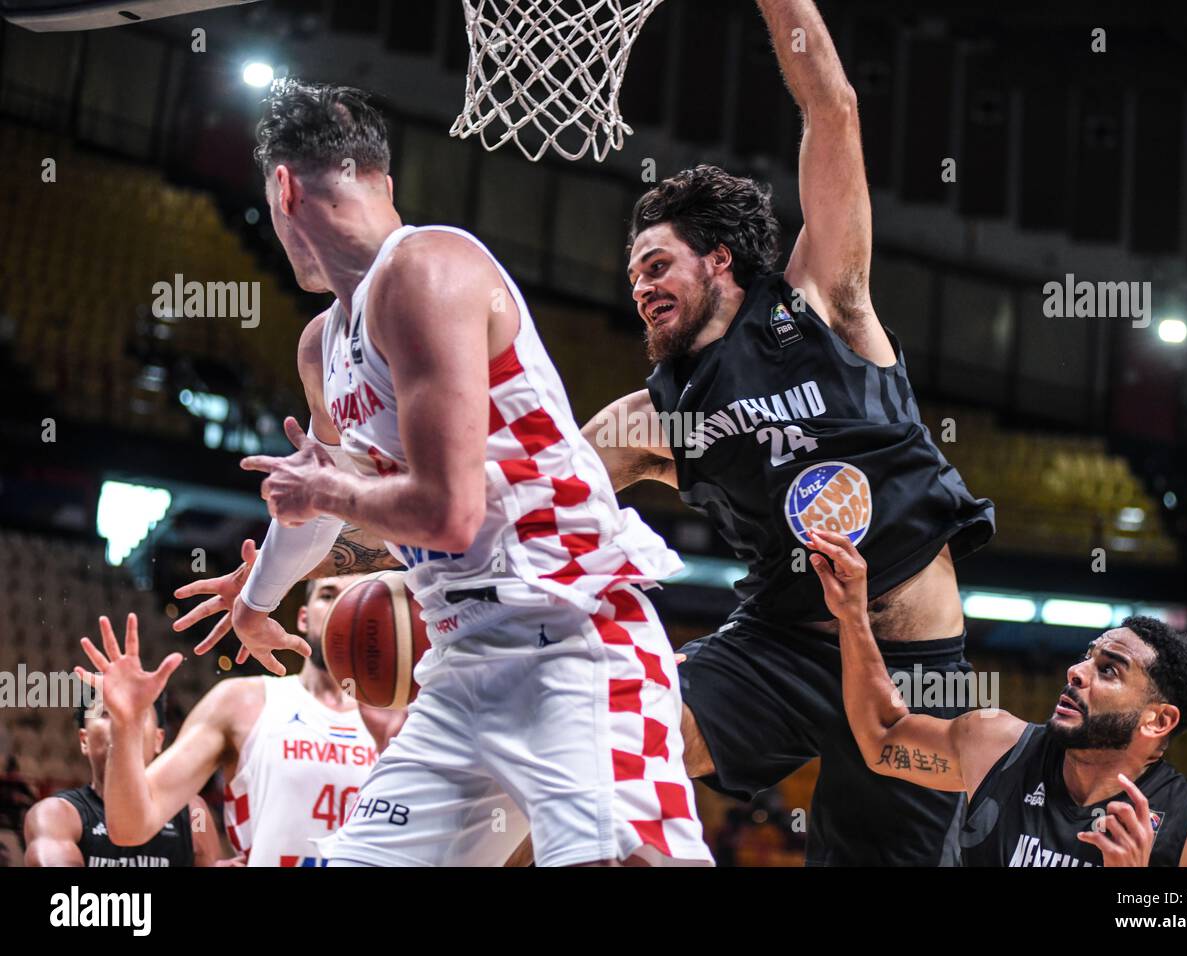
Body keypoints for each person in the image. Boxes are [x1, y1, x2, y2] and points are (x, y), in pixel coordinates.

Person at [177, 79, 710, 867]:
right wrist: (259, 598)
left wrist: (320, 486)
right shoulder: (322, 344)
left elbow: (448, 511)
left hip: (569, 639)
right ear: (380, 182)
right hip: (461, 669)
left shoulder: (429, 270)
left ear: (282, 188)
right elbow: (324, 507)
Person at [582, 0, 993, 865]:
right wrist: (337, 524)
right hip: (779, 649)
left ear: (719, 261)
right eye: (632, 276)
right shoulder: (650, 418)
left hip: (912, 667)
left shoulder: (821, 304)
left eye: (657, 264)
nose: (641, 287)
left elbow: (833, 107)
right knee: (605, 753)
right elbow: (504, 504)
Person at [814, 526, 1187, 866]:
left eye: (1108, 670)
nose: (1077, 672)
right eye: (1087, 656)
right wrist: (853, 615)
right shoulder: (996, 745)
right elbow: (884, 736)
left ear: (1157, 720)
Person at [73, 577, 380, 867]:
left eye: (355, 596)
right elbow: (131, 827)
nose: (342, 606)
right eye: (328, 595)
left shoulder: (405, 719)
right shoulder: (242, 701)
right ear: (302, 617)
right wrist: (126, 726)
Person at [24, 681, 220, 867]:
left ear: (158, 740)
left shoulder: (195, 815)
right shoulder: (54, 815)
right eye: (106, 713)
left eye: (138, 714)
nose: (122, 724)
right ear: (84, 740)